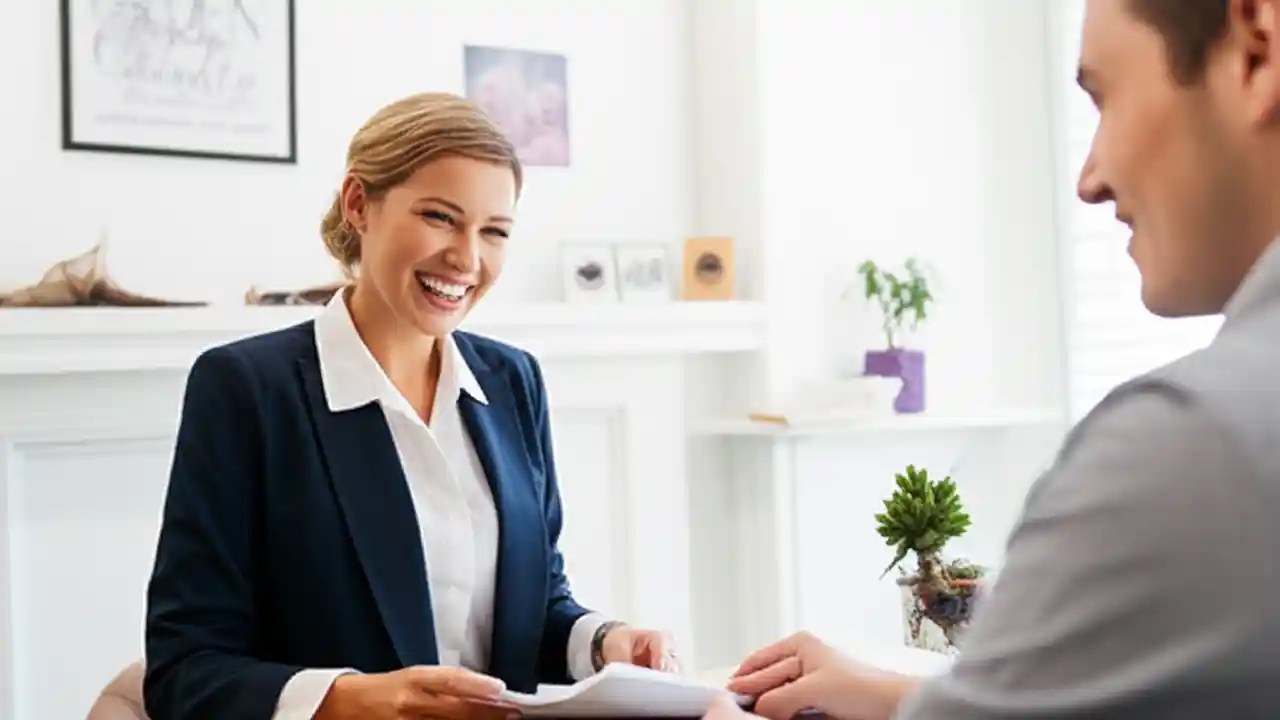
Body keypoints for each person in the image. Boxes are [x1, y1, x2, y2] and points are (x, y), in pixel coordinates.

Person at [706, 0, 1280, 718]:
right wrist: (898, 695)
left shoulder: (1191, 446)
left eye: (1103, 98)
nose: (1089, 177)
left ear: (1258, 49)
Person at [143, 92, 676, 720]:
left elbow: (533, 607)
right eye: (440, 218)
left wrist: (603, 642)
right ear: (358, 204)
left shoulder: (512, 381)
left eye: (494, 232)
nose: (467, 258)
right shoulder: (245, 389)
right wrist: (347, 700)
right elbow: (185, 669)